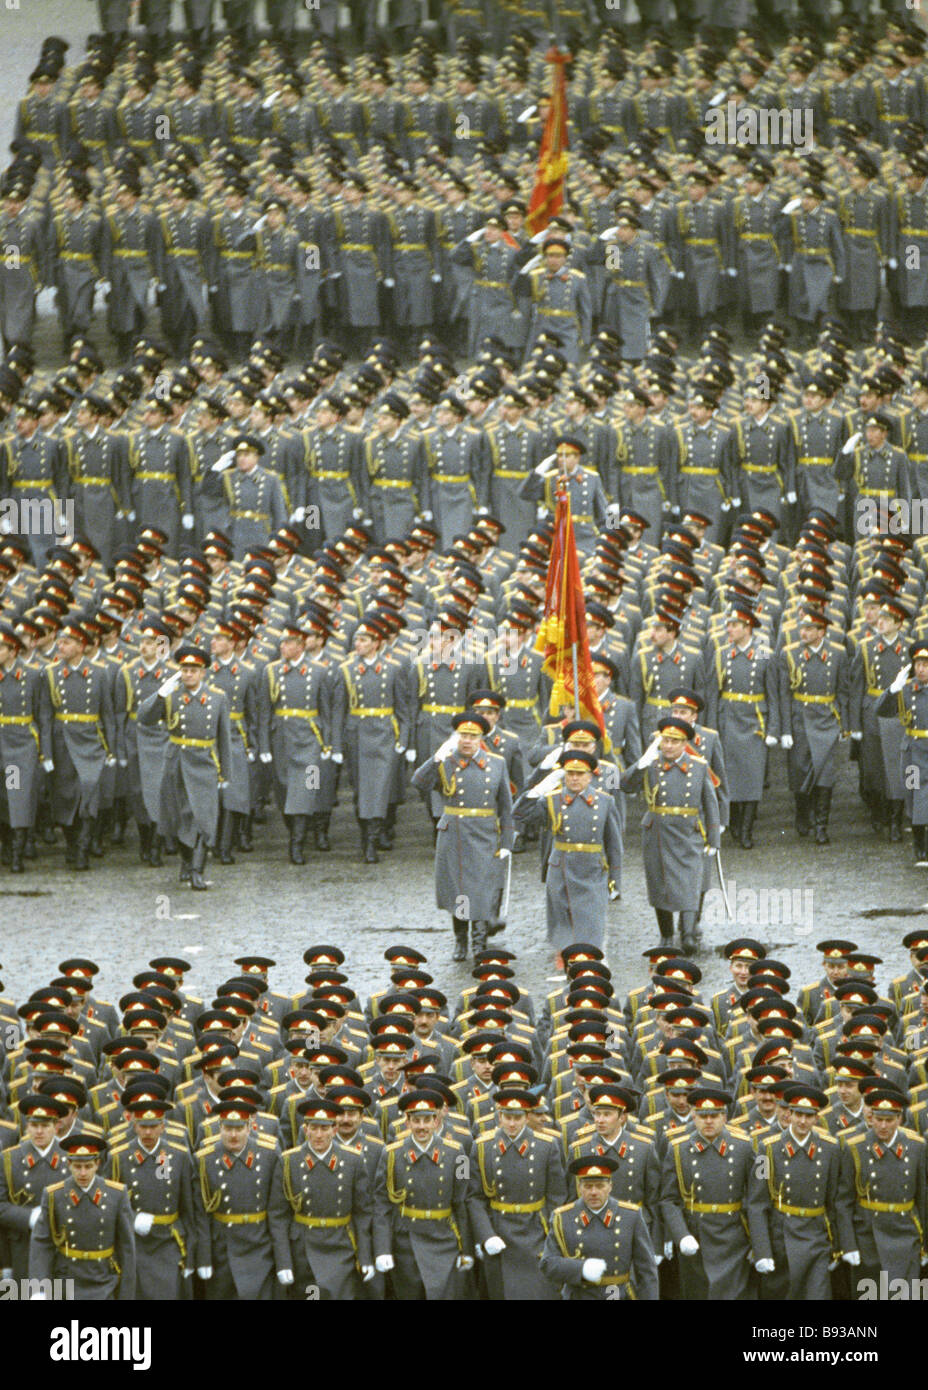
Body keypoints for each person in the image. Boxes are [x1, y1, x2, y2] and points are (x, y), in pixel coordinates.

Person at [411, 711, 514, 963]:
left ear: (481, 738)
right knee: (460, 890)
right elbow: (418, 782)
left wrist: (508, 842)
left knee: (481, 888)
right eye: (462, 736)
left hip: (485, 832)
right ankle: (461, 939)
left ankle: (479, 942)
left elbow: (505, 807)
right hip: (455, 832)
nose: (467, 741)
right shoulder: (447, 762)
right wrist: (436, 757)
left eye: (472, 736)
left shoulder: (497, 764)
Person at [746, 1083, 854, 1301]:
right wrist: (762, 1250)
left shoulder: (831, 1149)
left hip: (817, 1238)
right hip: (781, 1236)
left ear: (816, 1118)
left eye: (809, 1115)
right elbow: (757, 1203)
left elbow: (833, 1201)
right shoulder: (766, 1148)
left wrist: (837, 1247)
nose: (803, 1121)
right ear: (789, 1114)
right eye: (798, 1114)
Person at [137, 643, 233, 890]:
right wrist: (160, 694)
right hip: (176, 760)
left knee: (203, 817)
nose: (188, 674)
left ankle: (197, 870)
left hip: (204, 761)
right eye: (184, 669)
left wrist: (226, 773)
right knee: (178, 818)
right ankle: (187, 861)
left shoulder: (217, 697)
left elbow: (224, 737)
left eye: (193, 670)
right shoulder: (172, 696)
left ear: (203, 673)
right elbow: (144, 718)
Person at [621, 715, 720, 952]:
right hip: (658, 831)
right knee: (660, 883)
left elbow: (710, 803)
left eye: (674, 741)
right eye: (665, 740)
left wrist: (714, 839)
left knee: (689, 881)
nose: (668, 746)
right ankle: (666, 934)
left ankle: (687, 934)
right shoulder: (651, 765)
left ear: (684, 742)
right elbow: (623, 784)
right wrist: (640, 763)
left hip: (688, 831)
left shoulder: (699, 766)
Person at [513, 748, 622, 965]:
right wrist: (537, 790)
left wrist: (615, 881)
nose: (574, 778)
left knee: (591, 923)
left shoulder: (605, 801)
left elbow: (614, 845)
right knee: (562, 923)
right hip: (562, 866)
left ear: (590, 776)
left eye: (579, 774)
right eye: (569, 773)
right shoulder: (552, 800)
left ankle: (589, 970)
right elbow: (519, 814)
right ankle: (568, 968)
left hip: (592, 869)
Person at [372, 1089, 474, 1300]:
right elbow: (382, 1205)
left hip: (444, 1239)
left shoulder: (458, 1153)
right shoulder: (391, 1154)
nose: (421, 1127)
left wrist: (466, 1249)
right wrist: (382, 1248)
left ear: (436, 1121)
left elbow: (462, 1202)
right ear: (407, 1122)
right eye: (416, 1120)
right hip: (407, 1241)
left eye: (427, 1120)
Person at [268, 1097, 374, 1300]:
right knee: (311, 1296)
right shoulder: (289, 1161)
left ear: (334, 1130)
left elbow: (363, 1213)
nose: (318, 1135)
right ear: (305, 1129)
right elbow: (278, 1216)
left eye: (324, 1128)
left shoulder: (353, 1160)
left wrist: (365, 1256)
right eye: (313, 1128)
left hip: (341, 1246)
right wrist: (284, 1262)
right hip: (303, 1249)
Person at [659, 1086, 758, 1300]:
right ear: (693, 1116)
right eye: (703, 1116)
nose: (709, 1121)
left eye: (714, 1115)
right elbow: (668, 1199)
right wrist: (681, 1234)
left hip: (734, 1235)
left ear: (724, 1117)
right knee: (699, 1293)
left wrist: (759, 1244)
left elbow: (757, 1195)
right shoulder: (678, 1149)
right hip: (697, 1233)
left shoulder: (744, 1146)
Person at [193, 1098, 290, 1301]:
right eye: (228, 1128)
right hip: (223, 1247)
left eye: (239, 1128)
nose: (233, 1135)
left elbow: (278, 1211)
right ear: (219, 1127)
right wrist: (204, 1258)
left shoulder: (269, 1154)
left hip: (260, 1245)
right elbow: (201, 1214)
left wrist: (283, 1261)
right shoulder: (205, 1159)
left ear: (249, 1127)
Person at [109, 1095, 202, 1298]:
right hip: (135, 1243)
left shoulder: (178, 1155)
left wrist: (192, 1254)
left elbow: (189, 1210)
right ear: (134, 1126)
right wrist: (133, 1218)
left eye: (153, 1126)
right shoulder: (119, 1157)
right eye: (143, 1126)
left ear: (163, 1126)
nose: (148, 1132)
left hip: (168, 1242)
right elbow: (109, 1207)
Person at [29, 1131, 136, 1301]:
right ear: (69, 1164)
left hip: (103, 1279)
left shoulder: (116, 1194)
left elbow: (127, 1248)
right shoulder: (54, 1195)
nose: (83, 1173)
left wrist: (127, 1293)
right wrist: (39, 1288)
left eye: (88, 1166)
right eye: (77, 1166)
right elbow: (42, 1243)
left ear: (98, 1164)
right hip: (67, 1278)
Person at [778, 607, 851, 845]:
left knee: (825, 773)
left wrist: (845, 725)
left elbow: (843, 691)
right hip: (801, 716)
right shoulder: (790, 654)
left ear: (822, 631)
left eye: (809, 628)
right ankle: (802, 812)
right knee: (800, 769)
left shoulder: (838, 654)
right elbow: (785, 694)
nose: (804, 632)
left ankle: (821, 825)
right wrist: (786, 729)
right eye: (802, 628)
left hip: (827, 718)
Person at [540, 1154, 659, 1300]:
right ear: (579, 1187)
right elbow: (548, 1264)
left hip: (615, 1293)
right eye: (588, 1186)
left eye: (600, 1186)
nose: (594, 1192)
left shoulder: (630, 1216)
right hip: (579, 1294)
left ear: (610, 1186)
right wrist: (581, 1268)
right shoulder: (563, 1218)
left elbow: (647, 1270)